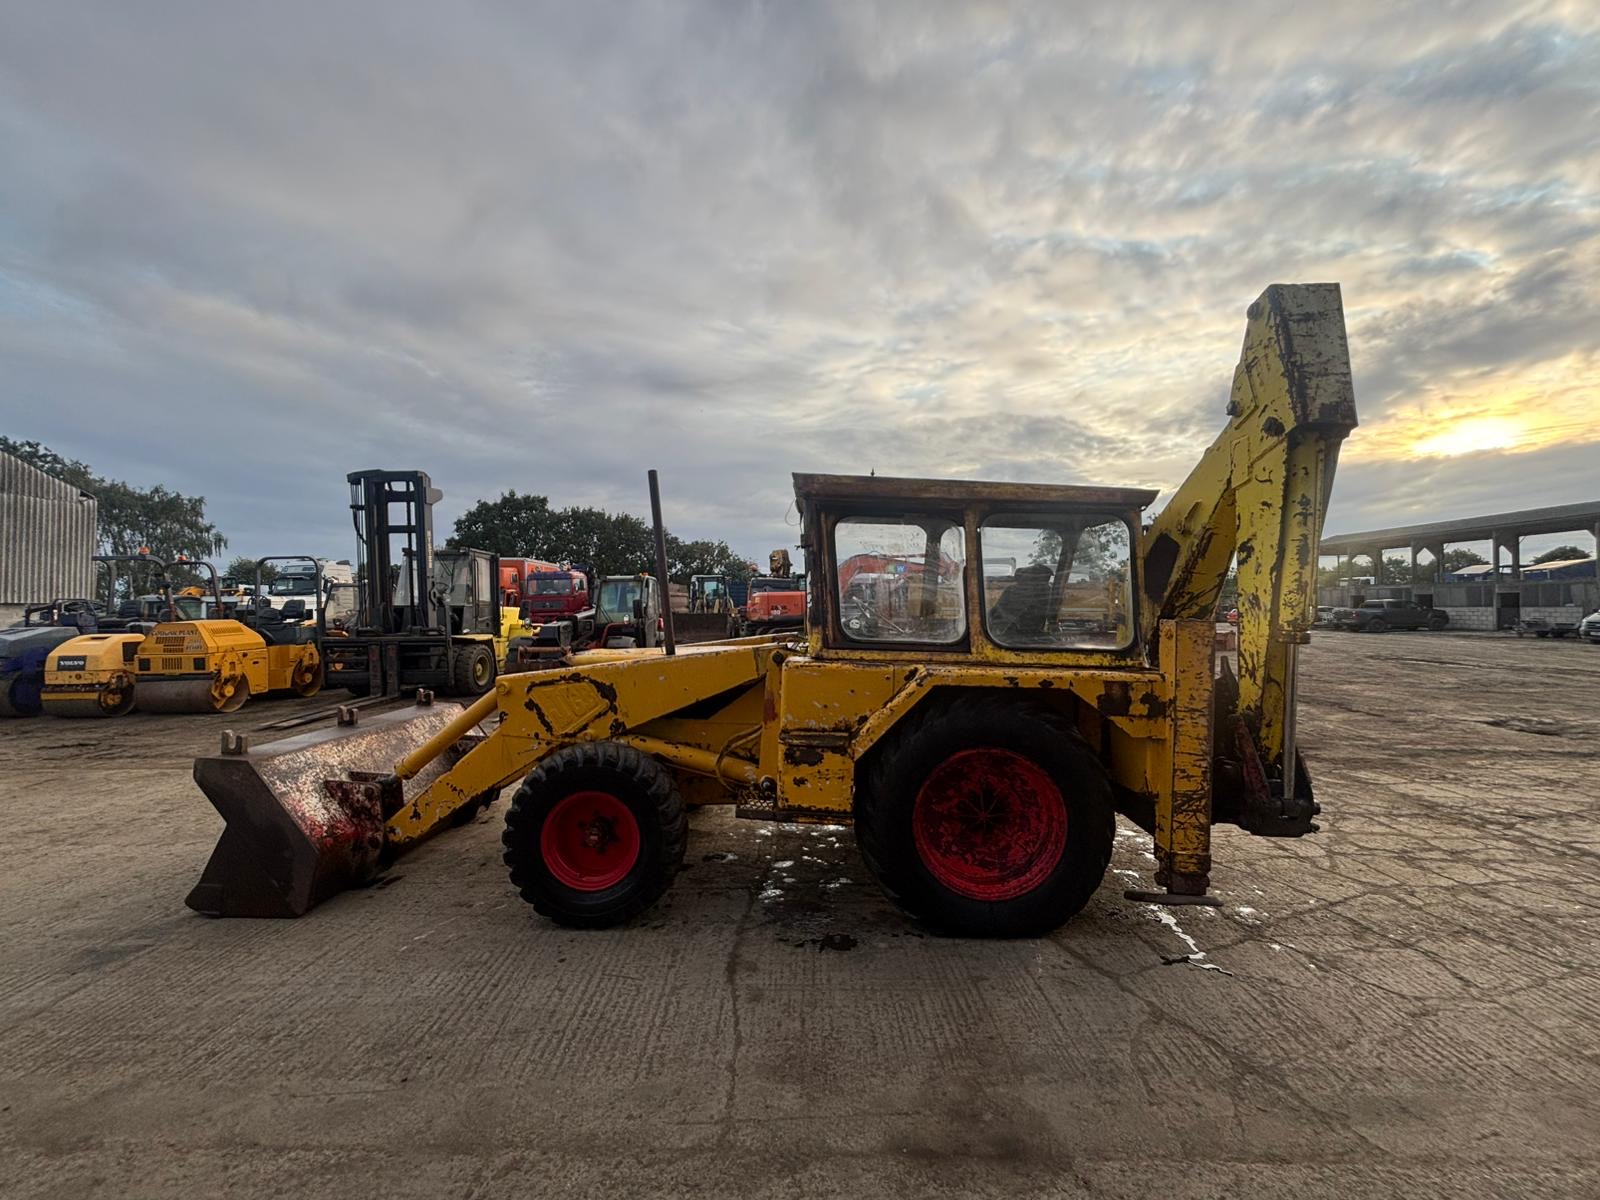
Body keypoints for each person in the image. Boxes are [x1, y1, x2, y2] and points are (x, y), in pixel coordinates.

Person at [989, 564, 1054, 642]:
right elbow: (997, 612)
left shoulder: (1047, 592)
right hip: (1010, 635)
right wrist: (1011, 621)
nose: (1045, 585)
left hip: (1032, 633)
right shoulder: (1011, 591)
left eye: (1046, 581)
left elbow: (1049, 615)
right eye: (1042, 580)